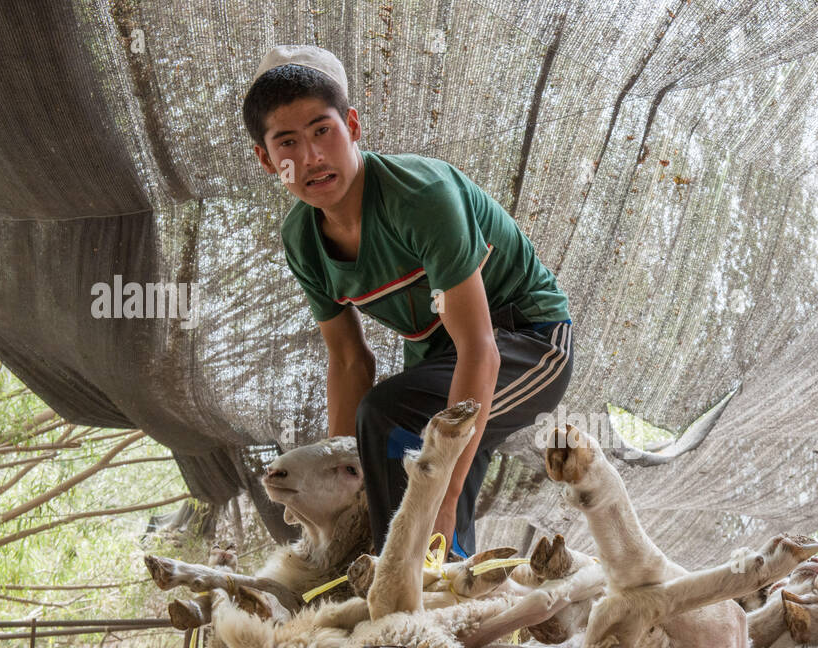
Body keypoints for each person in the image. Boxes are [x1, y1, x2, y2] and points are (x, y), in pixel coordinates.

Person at [243, 45, 574, 558]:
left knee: (395, 432)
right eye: (287, 142)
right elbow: (350, 361)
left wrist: (439, 494)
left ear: (352, 126)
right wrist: (341, 480)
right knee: (428, 529)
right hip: (442, 368)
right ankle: (439, 607)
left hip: (526, 344)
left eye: (322, 130)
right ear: (267, 160)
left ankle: (401, 581)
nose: (310, 157)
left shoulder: (419, 197)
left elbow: (479, 349)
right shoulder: (302, 240)